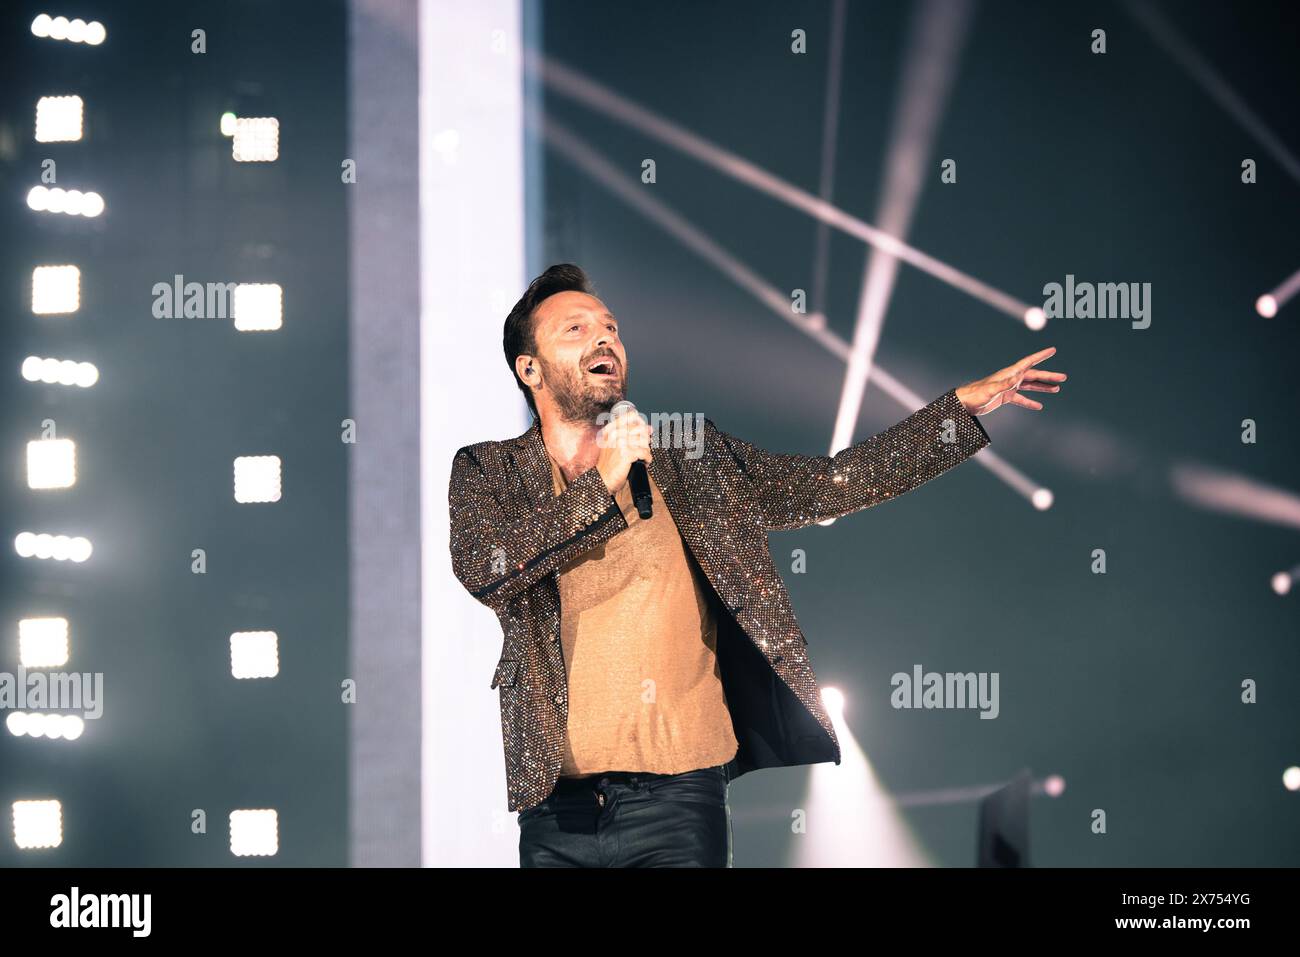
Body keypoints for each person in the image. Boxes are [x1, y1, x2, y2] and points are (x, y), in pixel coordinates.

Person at [448, 263, 1066, 867]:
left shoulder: (689, 454)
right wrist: (601, 482)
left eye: (609, 326)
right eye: (576, 330)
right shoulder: (488, 472)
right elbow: (487, 567)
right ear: (529, 368)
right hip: (558, 811)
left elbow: (828, 485)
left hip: (678, 800)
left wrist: (955, 415)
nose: (604, 337)